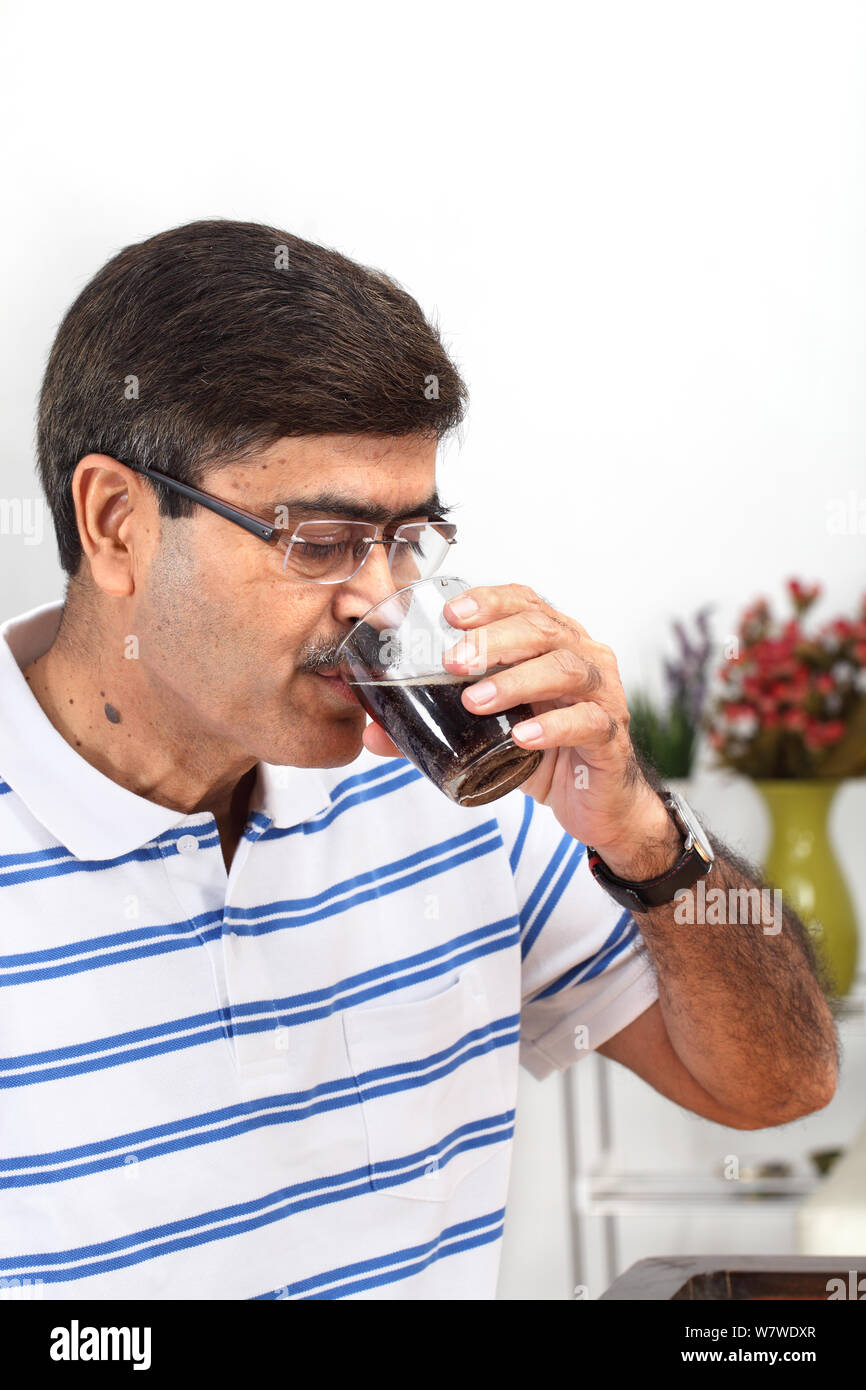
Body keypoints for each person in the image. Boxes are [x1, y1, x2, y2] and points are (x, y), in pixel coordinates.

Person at [0, 220, 838, 1300]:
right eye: (320, 541)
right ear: (117, 521)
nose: (382, 602)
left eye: (406, 540)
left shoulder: (451, 786)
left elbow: (776, 1087)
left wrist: (640, 831)